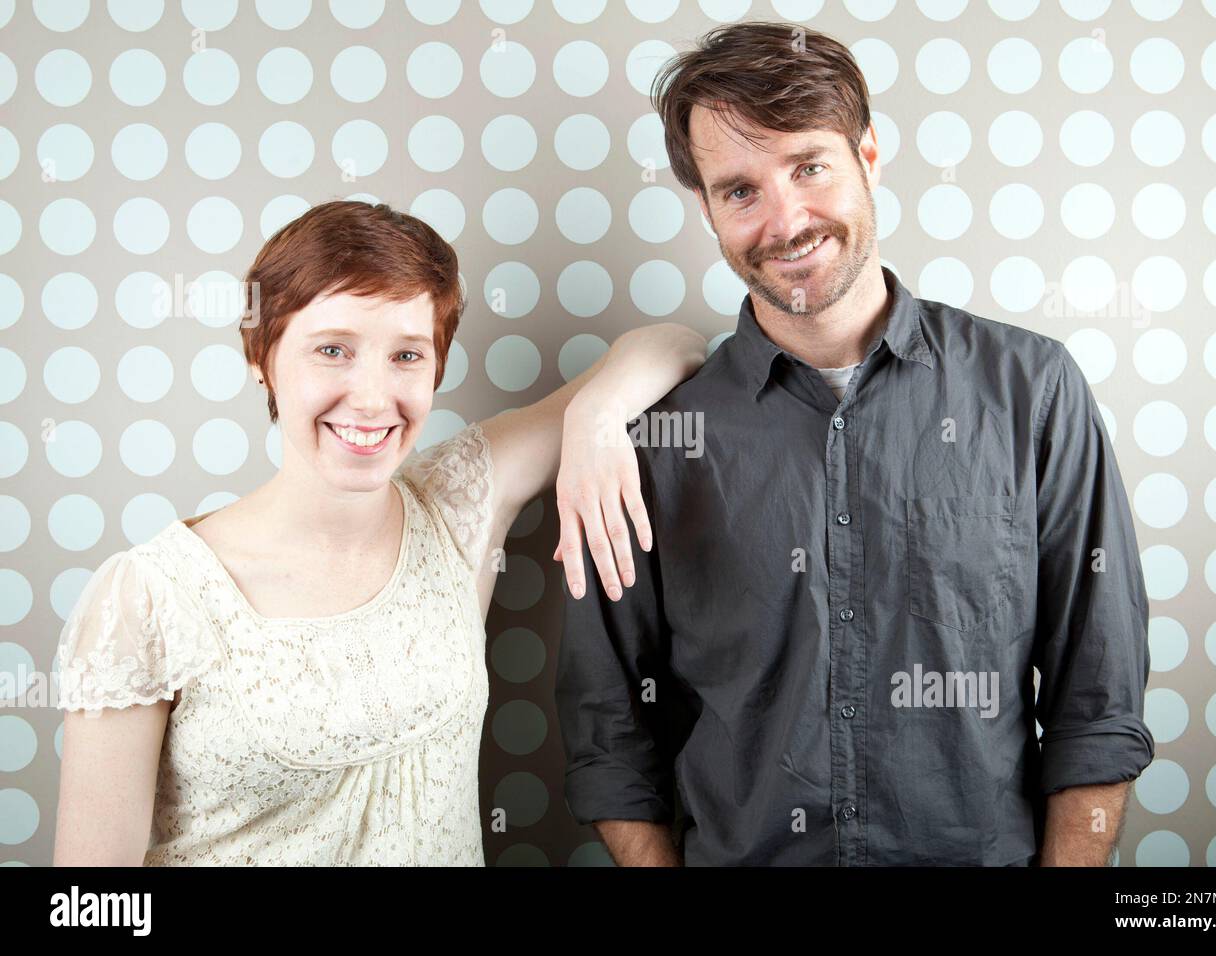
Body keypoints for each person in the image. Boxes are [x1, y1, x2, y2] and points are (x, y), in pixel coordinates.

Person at [556, 21, 1155, 866]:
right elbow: (608, 726)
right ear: (707, 210)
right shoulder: (652, 439)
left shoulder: (1033, 391)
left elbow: (1096, 696)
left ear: (867, 154)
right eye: (740, 190)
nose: (786, 221)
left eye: (809, 166)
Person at [51, 199, 706, 866]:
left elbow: (673, 344)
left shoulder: (457, 504)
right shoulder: (149, 595)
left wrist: (593, 417)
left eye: (406, 356)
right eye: (333, 350)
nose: (371, 397)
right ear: (260, 356)